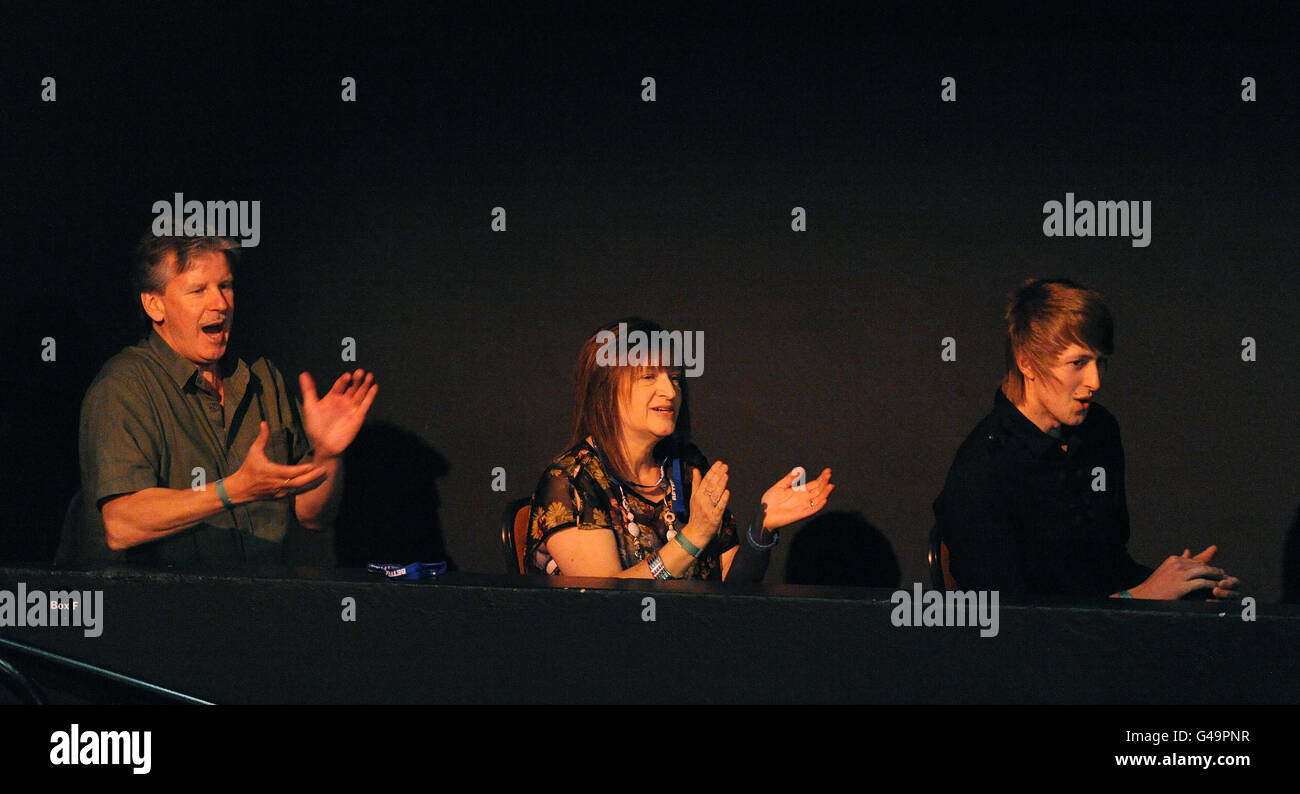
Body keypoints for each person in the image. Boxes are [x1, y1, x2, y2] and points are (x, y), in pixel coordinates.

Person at [74, 234, 377, 566]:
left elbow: (312, 516)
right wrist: (233, 490)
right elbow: (121, 525)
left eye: (226, 286)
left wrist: (327, 455)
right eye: (198, 290)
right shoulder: (124, 385)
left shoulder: (262, 378)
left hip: (252, 606)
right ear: (154, 305)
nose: (220, 303)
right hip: (157, 610)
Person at [933, 279, 1240, 600]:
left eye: (1100, 362)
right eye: (1078, 363)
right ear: (1026, 362)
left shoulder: (1099, 430)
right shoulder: (983, 465)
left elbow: (1106, 567)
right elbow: (1012, 618)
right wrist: (1138, 598)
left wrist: (1188, 584)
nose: (1094, 381)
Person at [527, 317, 834, 581]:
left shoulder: (685, 467)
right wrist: (693, 538)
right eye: (649, 376)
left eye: (674, 378)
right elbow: (607, 602)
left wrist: (760, 530)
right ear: (605, 390)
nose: (670, 391)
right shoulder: (571, 480)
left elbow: (732, 588)